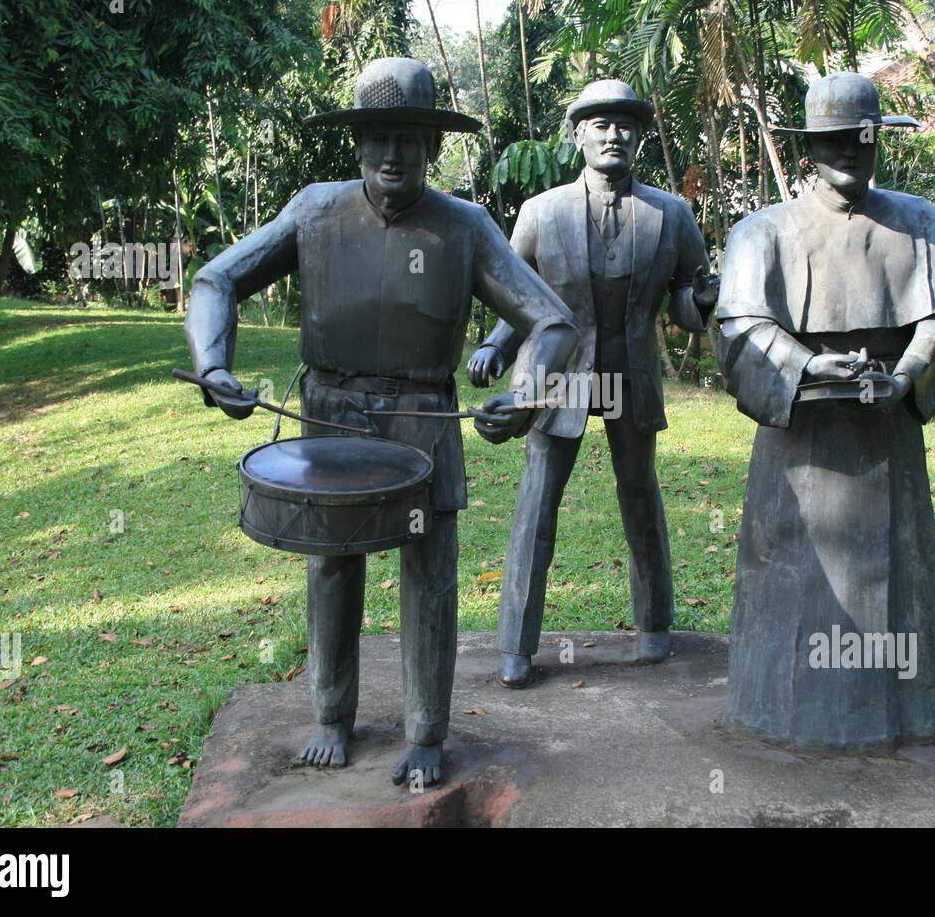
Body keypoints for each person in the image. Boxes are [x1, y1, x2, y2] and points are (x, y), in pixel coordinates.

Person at [184, 57, 577, 786]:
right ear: (356, 145)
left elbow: (551, 320)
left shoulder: (465, 228)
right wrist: (213, 366)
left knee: (429, 575)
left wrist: (525, 397)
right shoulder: (315, 211)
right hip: (329, 420)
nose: (391, 155)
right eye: (377, 138)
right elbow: (217, 278)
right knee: (331, 566)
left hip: (423, 421)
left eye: (406, 139)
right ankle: (331, 716)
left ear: (431, 147)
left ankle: (426, 733)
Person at [714, 72, 935, 749]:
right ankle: (776, 709)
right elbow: (741, 325)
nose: (852, 152)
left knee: (896, 574)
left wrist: (908, 373)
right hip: (798, 436)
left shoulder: (921, 222)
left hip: (887, 432)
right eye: (836, 141)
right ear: (810, 149)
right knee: (790, 577)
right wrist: (805, 365)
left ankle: (907, 716)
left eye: (863, 139)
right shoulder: (762, 232)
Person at [468, 80, 717, 688]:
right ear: (578, 135)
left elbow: (686, 302)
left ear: (639, 136)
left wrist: (701, 300)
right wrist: (496, 347)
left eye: (624, 125)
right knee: (537, 504)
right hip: (558, 380)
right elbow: (514, 297)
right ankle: (516, 644)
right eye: (599, 124)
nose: (613, 135)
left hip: (629, 377)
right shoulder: (541, 212)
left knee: (640, 498)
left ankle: (655, 624)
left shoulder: (671, 215)